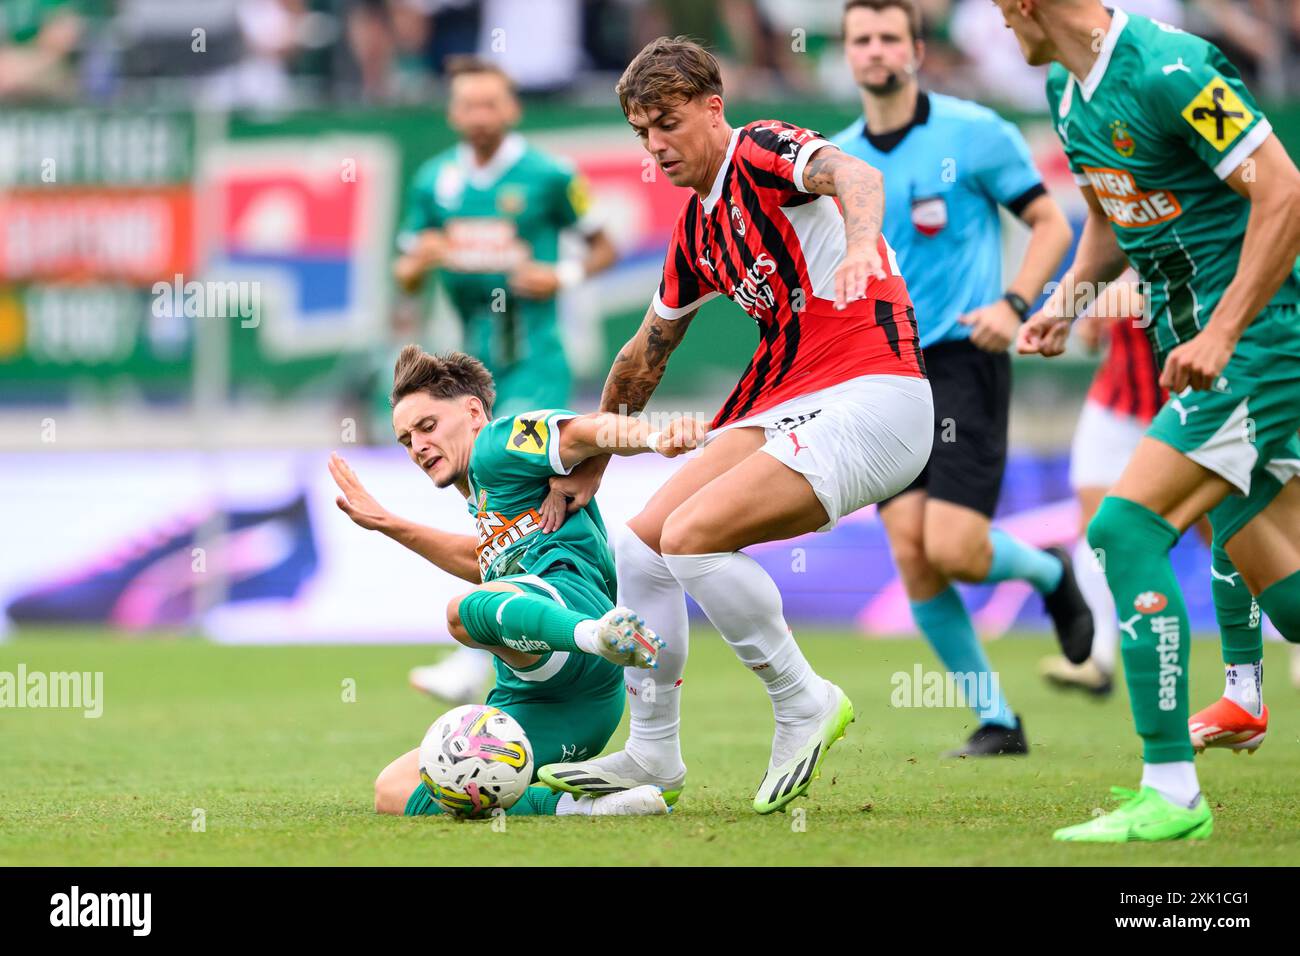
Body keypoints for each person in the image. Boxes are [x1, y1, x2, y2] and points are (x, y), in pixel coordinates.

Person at [534, 36, 932, 815]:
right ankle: (653, 753)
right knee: (643, 545)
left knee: (693, 537)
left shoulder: (760, 149)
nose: (655, 145)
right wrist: (595, 459)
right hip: (787, 397)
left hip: (873, 390)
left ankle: (802, 701)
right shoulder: (697, 231)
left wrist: (857, 248)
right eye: (642, 132)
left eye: (668, 123)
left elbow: (856, 174)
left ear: (713, 109)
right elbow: (646, 354)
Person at [999, 0, 1300, 842]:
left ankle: (1171, 791)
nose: (998, 29)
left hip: (1257, 348)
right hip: (1206, 356)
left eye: (997, 10)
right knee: (1291, 601)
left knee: (1125, 529)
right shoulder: (1065, 88)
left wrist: (1225, 328)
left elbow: (1283, 188)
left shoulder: (1172, 69)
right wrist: (1066, 301)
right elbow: (1110, 211)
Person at [832, 0, 1083, 757]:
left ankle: (1046, 569)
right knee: (911, 547)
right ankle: (998, 721)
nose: (875, 51)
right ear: (846, 54)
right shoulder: (835, 161)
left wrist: (1014, 304)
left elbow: (1054, 223)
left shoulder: (974, 134)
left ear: (915, 47)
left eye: (888, 37)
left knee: (955, 547)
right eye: (860, 39)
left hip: (964, 360)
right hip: (883, 369)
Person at [333, 346, 711, 817]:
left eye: (427, 427)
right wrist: (387, 522)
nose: (417, 447)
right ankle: (582, 809)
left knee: (461, 613)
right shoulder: (486, 501)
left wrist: (656, 439)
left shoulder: (495, 444)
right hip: (564, 711)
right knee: (394, 790)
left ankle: (604, 635)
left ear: (472, 412)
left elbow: (583, 431)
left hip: (576, 625)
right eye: (406, 440)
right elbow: (485, 563)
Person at [394, 56, 619, 704]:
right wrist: (420, 263)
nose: (480, 116)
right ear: (453, 112)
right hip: (468, 367)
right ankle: (535, 623)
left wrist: (564, 275)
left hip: (536, 356)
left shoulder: (548, 176)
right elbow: (406, 272)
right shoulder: (434, 181)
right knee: (492, 498)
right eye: (468, 105)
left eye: (491, 104)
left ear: (511, 108)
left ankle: (493, 641)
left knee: (506, 476)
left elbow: (604, 243)